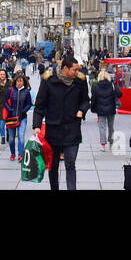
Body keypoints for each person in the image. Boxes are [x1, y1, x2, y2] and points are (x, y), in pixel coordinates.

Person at [31, 55, 90, 190]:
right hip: (53, 130)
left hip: (72, 129)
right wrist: (36, 126)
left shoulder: (79, 81)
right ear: (64, 68)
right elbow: (39, 105)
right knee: (53, 165)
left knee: (70, 164)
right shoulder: (49, 80)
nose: (77, 73)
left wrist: (82, 110)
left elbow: (86, 100)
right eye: (74, 70)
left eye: (77, 70)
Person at [5, 73, 32, 160]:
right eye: (18, 81)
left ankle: (20, 155)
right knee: (11, 138)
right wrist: (10, 109)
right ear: (15, 81)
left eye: (21, 81)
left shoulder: (26, 91)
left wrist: (23, 111)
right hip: (11, 117)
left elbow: (29, 104)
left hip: (22, 117)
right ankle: (13, 154)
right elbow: (5, 102)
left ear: (24, 82)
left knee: (21, 136)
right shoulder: (10, 90)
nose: (19, 83)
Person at [90, 69, 119, 151]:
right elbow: (120, 94)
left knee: (102, 127)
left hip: (100, 109)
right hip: (111, 109)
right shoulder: (112, 85)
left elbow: (93, 99)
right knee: (111, 127)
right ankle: (111, 143)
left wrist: (93, 108)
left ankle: (103, 145)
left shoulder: (96, 86)